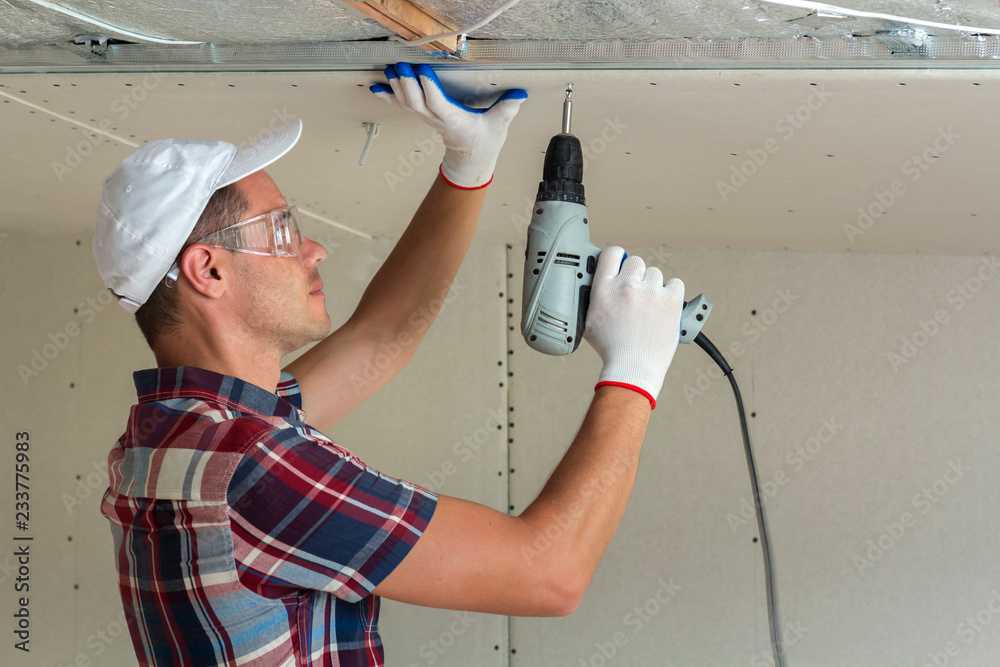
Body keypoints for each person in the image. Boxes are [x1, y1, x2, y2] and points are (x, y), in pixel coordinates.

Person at [95, 63, 684, 666]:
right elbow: (550, 573)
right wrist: (634, 372)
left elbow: (381, 341)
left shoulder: (176, 436)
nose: (313, 249)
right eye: (282, 230)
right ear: (209, 271)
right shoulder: (248, 466)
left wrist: (467, 166)